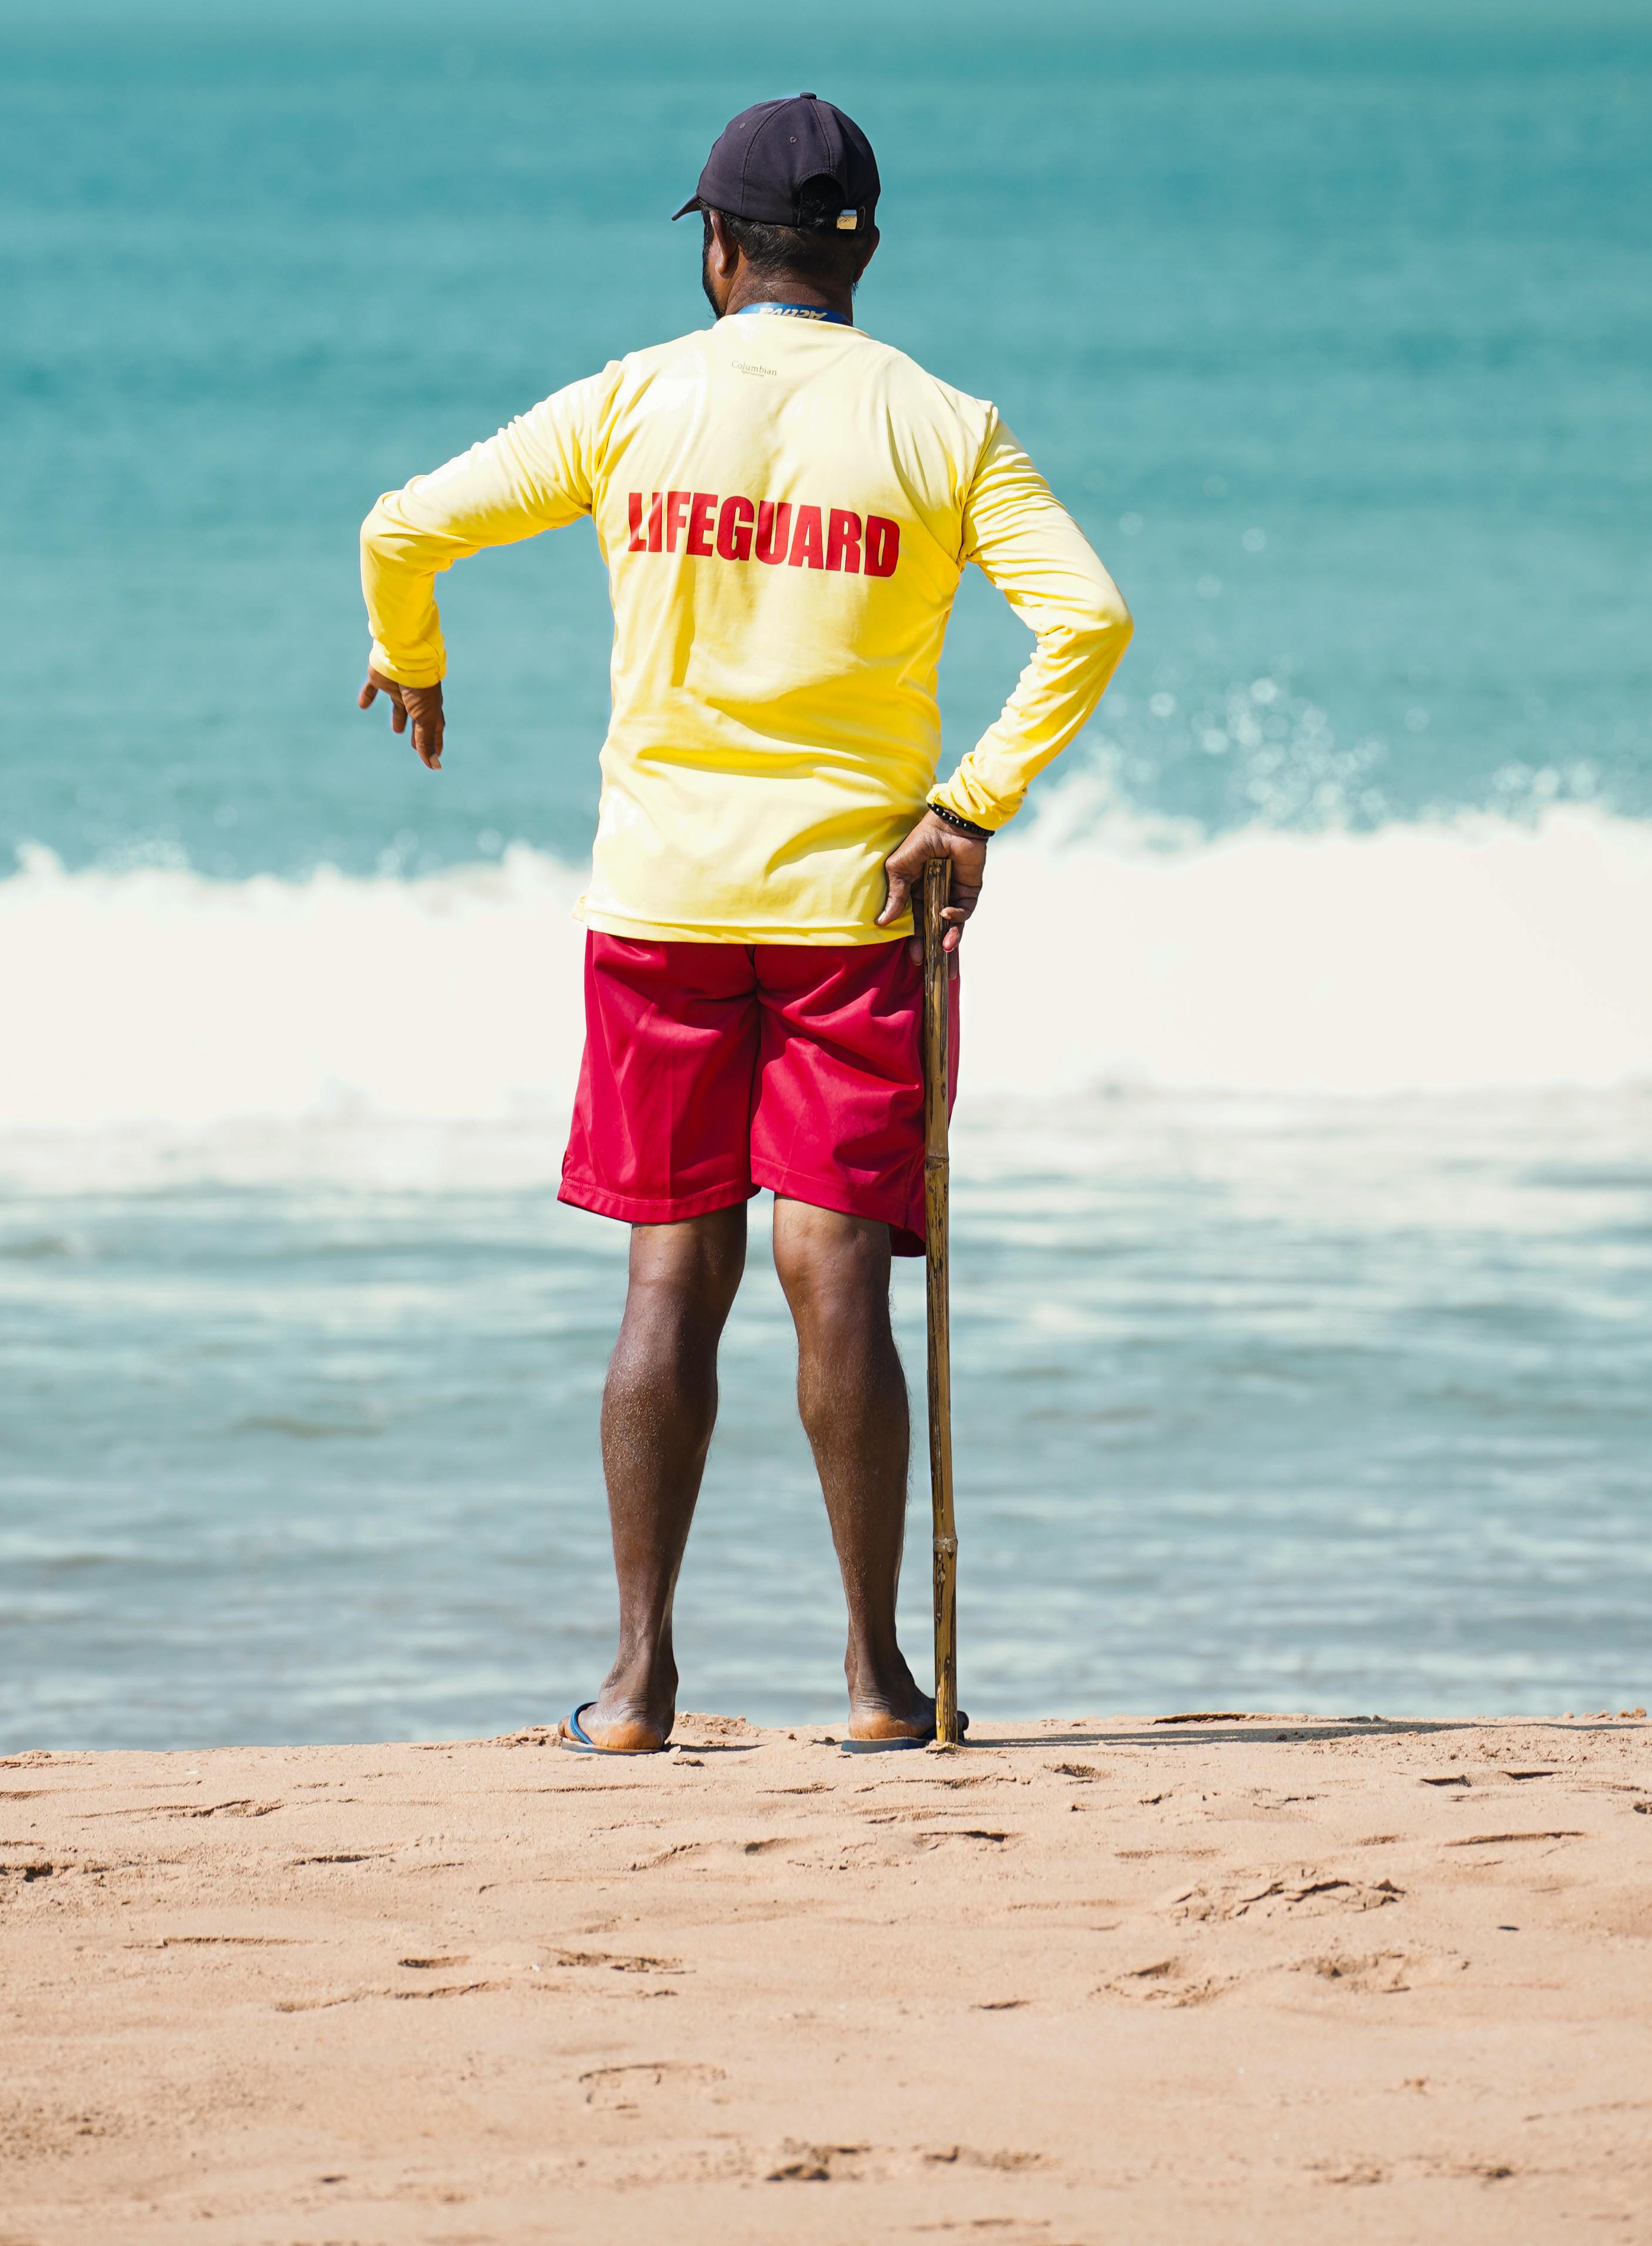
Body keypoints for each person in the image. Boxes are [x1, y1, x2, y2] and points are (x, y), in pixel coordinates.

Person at [359, 93, 1131, 1749]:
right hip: (860, 904)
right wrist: (973, 802)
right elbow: (1091, 616)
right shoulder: (943, 425)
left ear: (718, 248)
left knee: (671, 1275)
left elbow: (403, 523)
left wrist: (410, 652)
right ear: (862, 253)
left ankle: (637, 1685)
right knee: (832, 1265)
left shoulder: (637, 401)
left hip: (662, 905)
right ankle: (873, 1683)